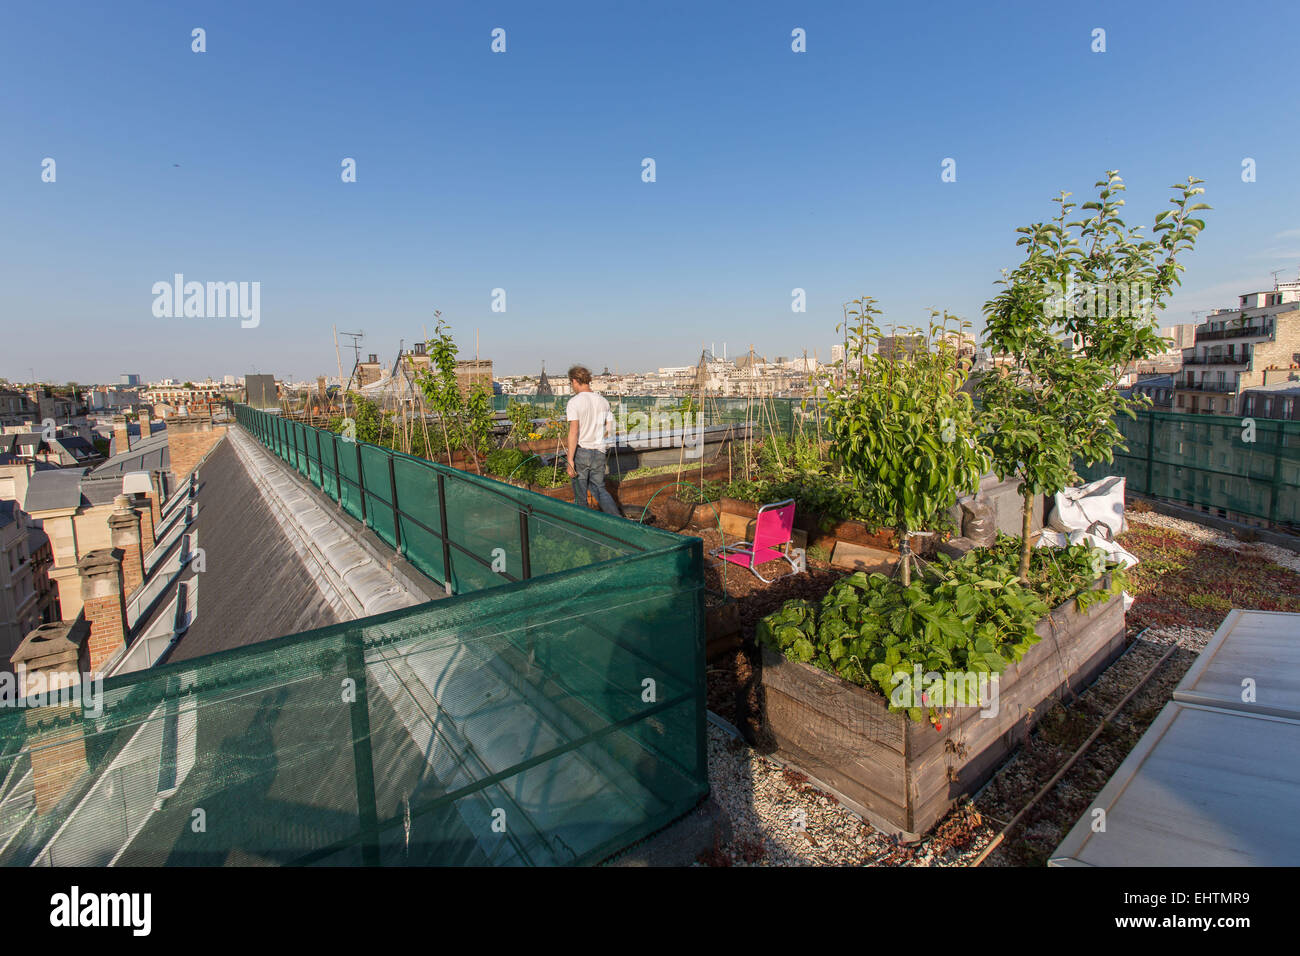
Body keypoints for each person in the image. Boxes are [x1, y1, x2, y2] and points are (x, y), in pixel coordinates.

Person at [564, 365, 622, 516]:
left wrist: (570, 460)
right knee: (600, 490)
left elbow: (574, 431)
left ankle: (584, 528)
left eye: (572, 383)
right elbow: (610, 428)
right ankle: (619, 523)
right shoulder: (603, 401)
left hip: (582, 451)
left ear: (575, 380)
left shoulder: (574, 402)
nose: (572, 387)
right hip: (599, 451)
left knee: (581, 496)